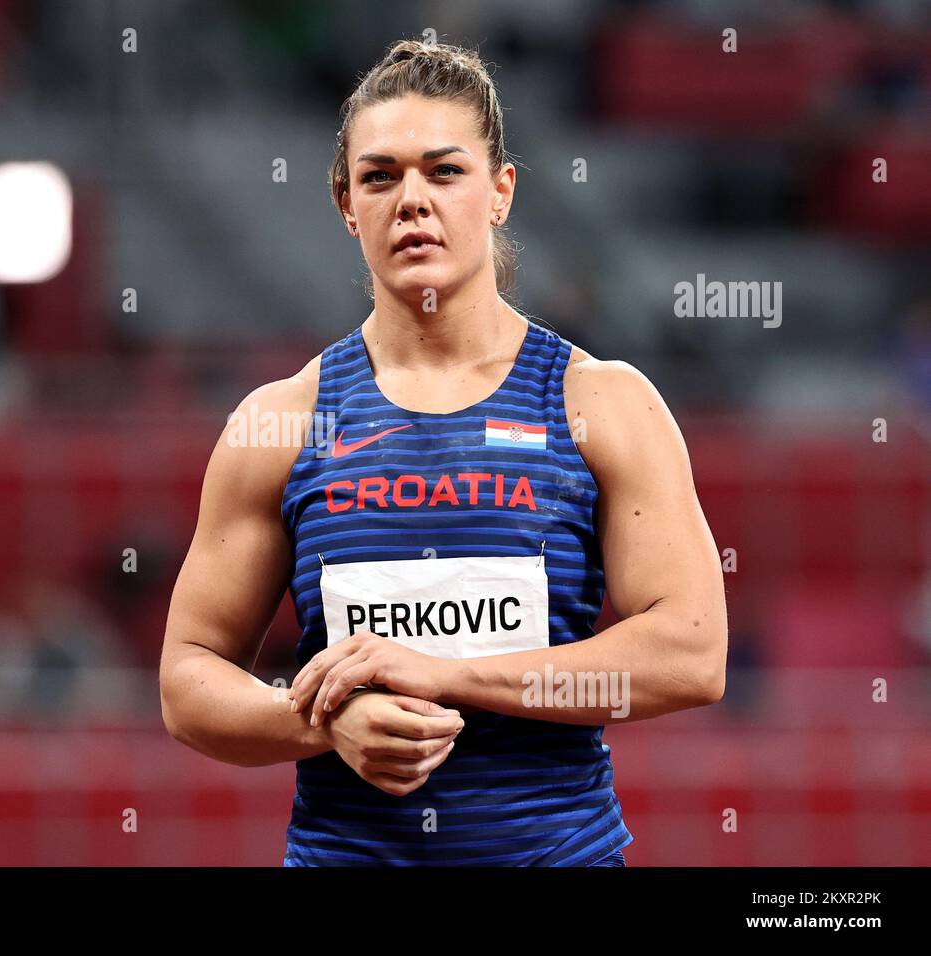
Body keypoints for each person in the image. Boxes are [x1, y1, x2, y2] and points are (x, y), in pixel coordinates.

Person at [160, 39, 727, 866]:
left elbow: (693, 653)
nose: (412, 201)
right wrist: (320, 717)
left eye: (444, 171)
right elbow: (187, 681)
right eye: (381, 176)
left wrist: (444, 674)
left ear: (500, 192)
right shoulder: (282, 421)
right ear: (347, 205)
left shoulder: (602, 403)